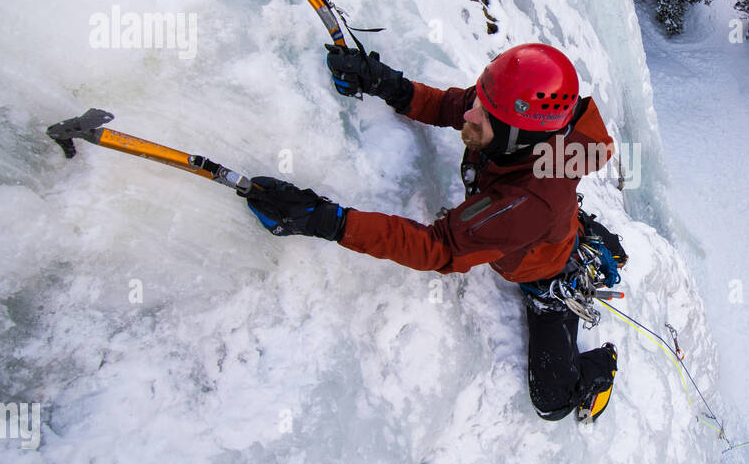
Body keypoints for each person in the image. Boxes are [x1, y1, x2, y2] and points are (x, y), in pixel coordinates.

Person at [242, 41, 623, 422]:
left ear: (517, 137)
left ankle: (602, 367)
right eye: (479, 100)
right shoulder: (511, 117)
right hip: (544, 227)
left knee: (552, 402)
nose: (470, 111)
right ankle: (582, 233)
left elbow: (439, 247)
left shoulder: (526, 202)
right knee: (548, 222)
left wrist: (326, 220)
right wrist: (386, 83)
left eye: (483, 114)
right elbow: (448, 106)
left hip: (546, 273)